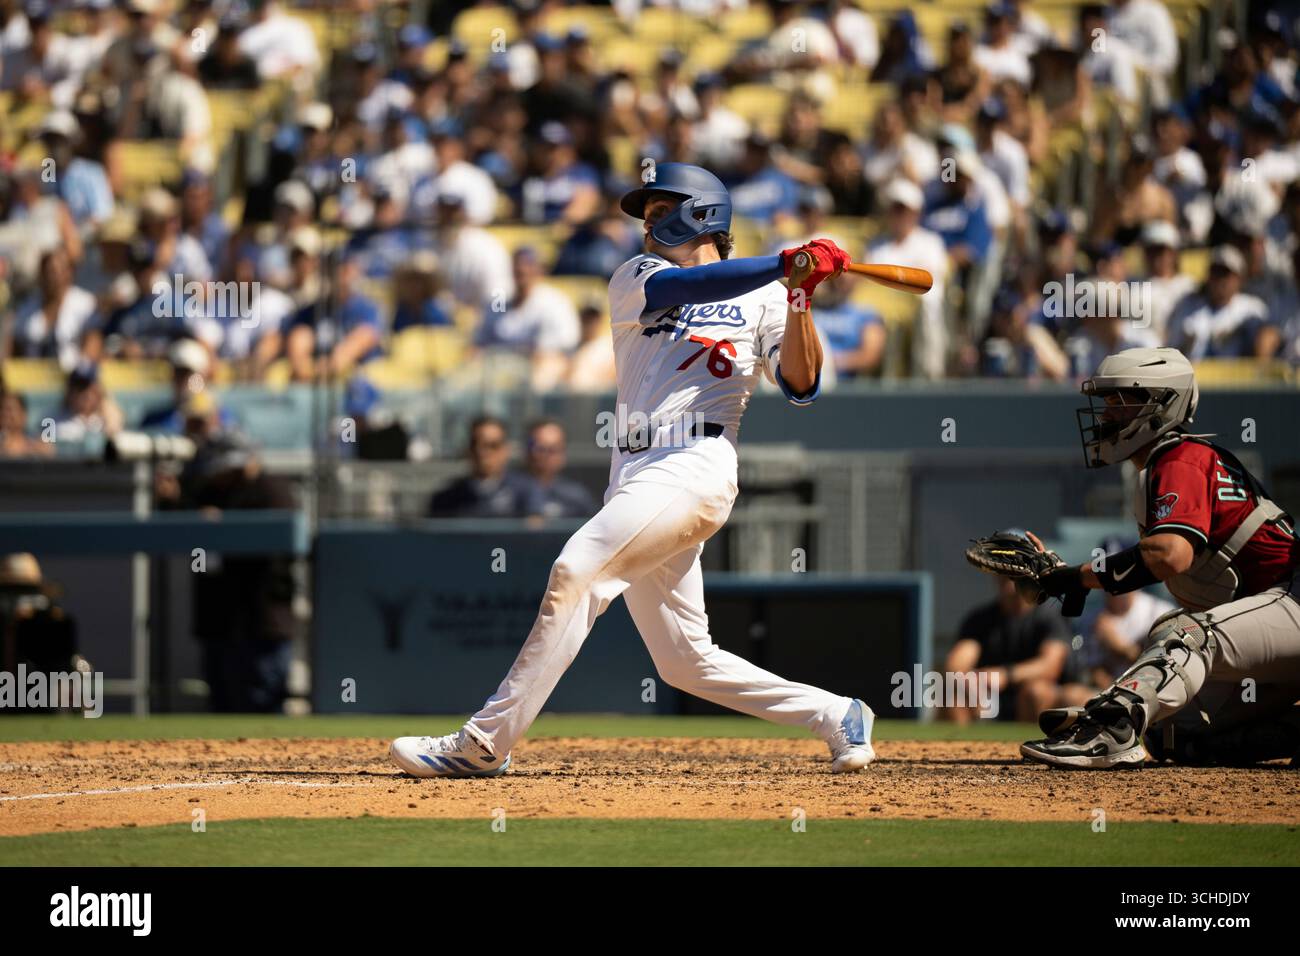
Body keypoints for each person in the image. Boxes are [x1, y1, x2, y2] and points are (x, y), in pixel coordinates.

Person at [391, 163, 875, 778]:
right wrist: (786, 263)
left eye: (659, 211)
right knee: (685, 662)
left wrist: (800, 294)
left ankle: (484, 743)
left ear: (702, 214)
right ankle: (838, 714)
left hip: (696, 462)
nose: (647, 226)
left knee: (576, 569)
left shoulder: (767, 298)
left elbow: (802, 384)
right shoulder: (639, 275)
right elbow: (688, 292)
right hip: (637, 470)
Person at [1019, 347, 1300, 767]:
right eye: (1106, 403)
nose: (1106, 415)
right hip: (1278, 625)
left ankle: (1110, 728)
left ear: (1160, 405)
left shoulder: (1180, 458)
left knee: (1184, 634)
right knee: (1170, 734)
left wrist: (1074, 577)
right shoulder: (1173, 463)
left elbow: (1170, 555)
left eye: (1120, 401)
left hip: (1293, 600)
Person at [945, 567, 1073, 723]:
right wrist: (969, 679)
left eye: (1015, 575)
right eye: (1004, 574)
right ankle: (965, 746)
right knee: (953, 690)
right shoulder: (980, 619)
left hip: (1034, 697)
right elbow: (957, 662)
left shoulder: (1050, 616)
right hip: (991, 698)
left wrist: (1005, 675)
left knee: (1036, 692)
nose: (1008, 579)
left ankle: (1032, 745)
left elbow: (1050, 667)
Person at [427, 415, 544, 519]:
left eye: (493, 446)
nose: (482, 453)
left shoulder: (527, 492)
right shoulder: (446, 499)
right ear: (467, 449)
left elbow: (533, 536)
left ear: (505, 450)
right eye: (475, 445)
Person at [524, 419, 596, 519]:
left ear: (563, 453)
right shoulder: (508, 492)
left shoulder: (576, 497)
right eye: (538, 447)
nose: (542, 455)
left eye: (552, 449)